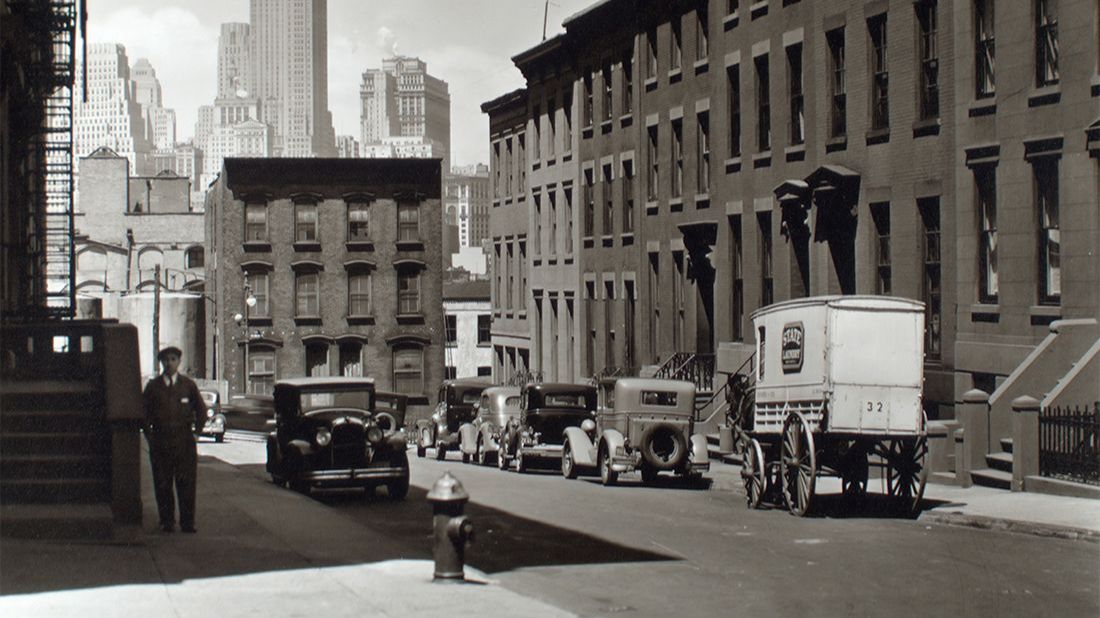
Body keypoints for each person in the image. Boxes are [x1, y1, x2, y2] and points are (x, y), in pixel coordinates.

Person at [143, 346, 205, 533]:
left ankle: (187, 522)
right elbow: (143, 414)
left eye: (173, 359)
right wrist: (150, 437)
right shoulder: (153, 387)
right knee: (162, 483)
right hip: (161, 442)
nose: (169, 363)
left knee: (186, 483)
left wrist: (196, 433)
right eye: (166, 360)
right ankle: (167, 521)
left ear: (179, 362)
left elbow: (201, 411)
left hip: (184, 442)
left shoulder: (188, 386)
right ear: (161, 363)